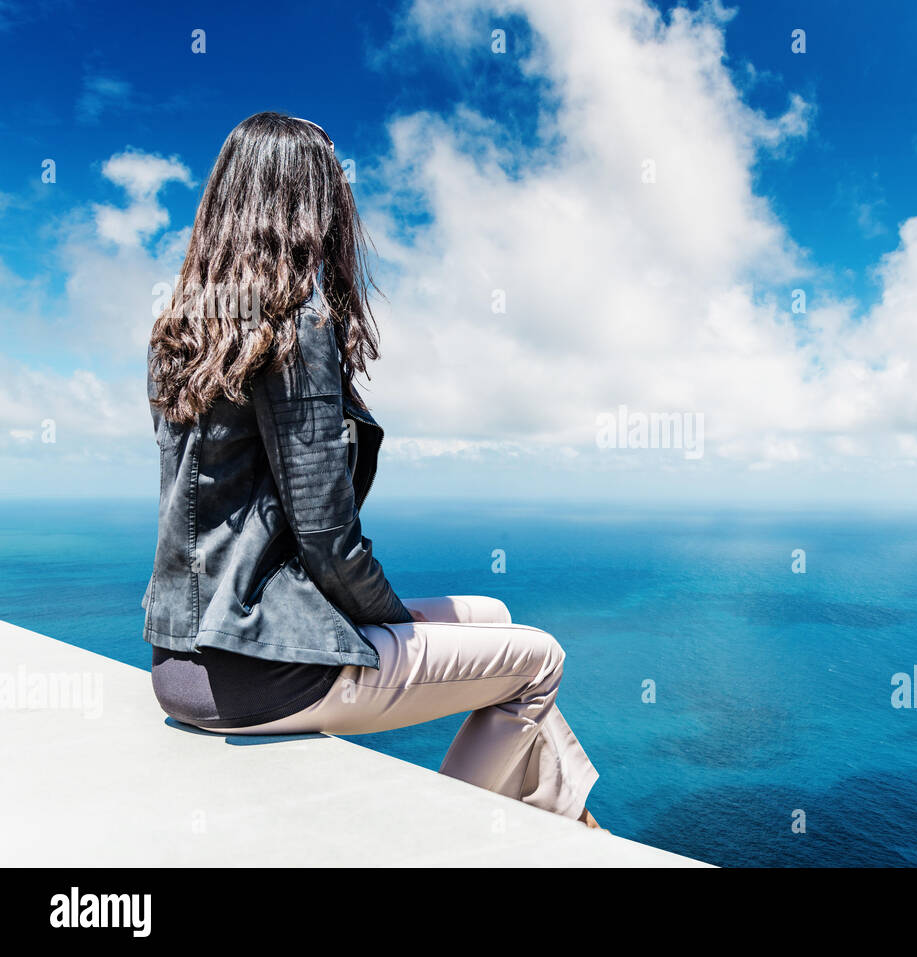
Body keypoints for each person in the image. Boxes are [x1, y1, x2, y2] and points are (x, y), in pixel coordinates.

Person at [141, 111, 600, 828]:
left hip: (178, 665)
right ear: (310, 209)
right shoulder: (293, 324)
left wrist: (388, 620)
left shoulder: (179, 331)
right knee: (539, 660)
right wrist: (391, 622)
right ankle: (451, 839)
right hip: (263, 669)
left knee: (495, 616)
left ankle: (570, 826)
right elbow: (327, 533)